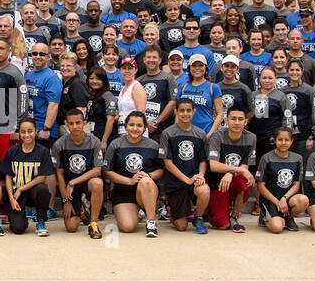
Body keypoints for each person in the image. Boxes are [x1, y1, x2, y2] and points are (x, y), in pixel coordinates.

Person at [103, 111, 165, 236]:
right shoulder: (115, 144)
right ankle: (137, 212)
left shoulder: (153, 145)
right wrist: (129, 181)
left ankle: (151, 222)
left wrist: (149, 176)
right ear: (125, 126)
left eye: (139, 125)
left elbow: (161, 170)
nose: (135, 129)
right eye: (131, 125)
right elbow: (106, 172)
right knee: (127, 227)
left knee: (146, 181)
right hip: (123, 192)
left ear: (144, 127)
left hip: (146, 190)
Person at [158, 98, 211, 234]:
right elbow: (168, 164)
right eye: (182, 110)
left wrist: (200, 176)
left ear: (194, 112)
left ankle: (198, 218)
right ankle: (171, 208)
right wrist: (186, 180)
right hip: (176, 182)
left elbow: (203, 160)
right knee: (181, 227)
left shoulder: (200, 134)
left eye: (188, 110)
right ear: (175, 112)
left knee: (204, 190)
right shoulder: (168, 133)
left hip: (194, 178)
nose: (185, 114)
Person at [51, 107, 105, 238]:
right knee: (71, 227)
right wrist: (65, 201)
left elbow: (97, 170)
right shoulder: (59, 145)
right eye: (71, 123)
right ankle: (82, 211)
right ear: (66, 124)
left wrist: (74, 181)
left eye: (78, 123)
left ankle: (93, 223)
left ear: (84, 123)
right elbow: (59, 175)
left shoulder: (94, 141)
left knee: (98, 183)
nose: (75, 126)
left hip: (87, 182)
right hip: (70, 188)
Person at [0, 117, 56, 236]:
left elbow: (42, 178)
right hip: (16, 194)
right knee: (18, 228)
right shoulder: (12, 151)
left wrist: (21, 188)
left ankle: (41, 220)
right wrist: (11, 198)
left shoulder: (43, 151)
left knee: (43, 189)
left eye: (30, 131)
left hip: (33, 192)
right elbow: (8, 176)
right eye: (23, 132)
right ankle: (17, 218)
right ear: (19, 133)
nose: (27, 135)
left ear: (36, 131)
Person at [206, 105, 257, 232]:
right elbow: (213, 165)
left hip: (233, 179)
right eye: (233, 119)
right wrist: (240, 170)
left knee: (243, 181)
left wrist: (231, 173)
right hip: (216, 183)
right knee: (222, 225)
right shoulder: (217, 136)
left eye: (240, 119)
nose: (237, 122)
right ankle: (217, 212)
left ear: (246, 121)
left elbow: (245, 165)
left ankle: (235, 216)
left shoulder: (251, 138)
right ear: (226, 120)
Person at [255, 127, 308, 233]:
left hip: (288, 198)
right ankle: (265, 216)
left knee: (303, 200)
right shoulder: (267, 158)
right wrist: (277, 202)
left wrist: (284, 198)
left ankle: (288, 217)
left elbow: (296, 184)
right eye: (280, 139)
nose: (283, 143)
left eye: (287, 140)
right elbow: (260, 185)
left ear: (292, 141)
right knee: (277, 228)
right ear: (274, 140)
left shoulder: (297, 158)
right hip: (270, 199)